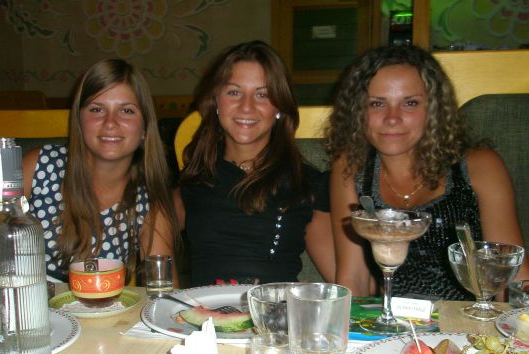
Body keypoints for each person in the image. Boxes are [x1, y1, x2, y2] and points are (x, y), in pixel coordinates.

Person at [326, 45, 529, 300]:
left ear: (433, 109)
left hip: (468, 319)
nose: (392, 118)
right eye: (377, 103)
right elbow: (354, 276)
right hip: (393, 321)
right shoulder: (350, 167)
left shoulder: (479, 166)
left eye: (409, 103)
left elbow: (513, 275)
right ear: (358, 112)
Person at [174, 40, 335, 286]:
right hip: (202, 310)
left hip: (276, 309)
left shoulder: (306, 184)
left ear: (279, 107)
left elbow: (345, 284)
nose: (246, 107)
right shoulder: (194, 180)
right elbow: (152, 235)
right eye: (234, 92)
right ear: (216, 101)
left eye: (262, 94)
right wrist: (171, 300)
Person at [22, 58, 179, 283]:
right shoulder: (38, 166)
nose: (110, 122)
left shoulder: (149, 203)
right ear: (79, 121)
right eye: (97, 109)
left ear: (144, 128)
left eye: (127, 110)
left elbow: (163, 291)